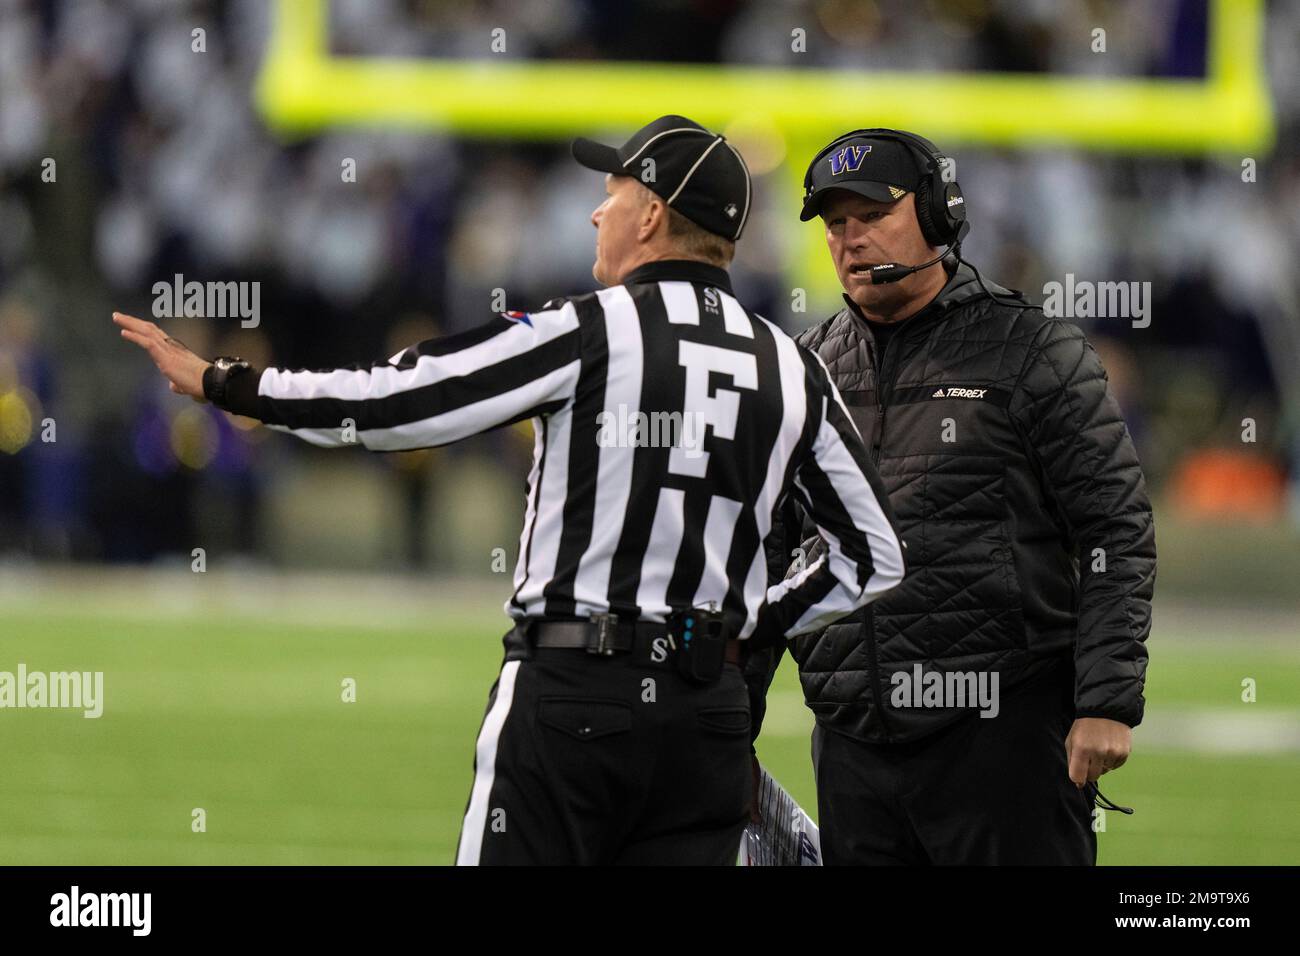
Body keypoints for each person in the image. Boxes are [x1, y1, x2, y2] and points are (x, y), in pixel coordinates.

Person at [114, 115, 905, 865]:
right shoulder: (791, 365)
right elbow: (873, 555)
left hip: (575, 694)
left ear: (653, 214)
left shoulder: (590, 327)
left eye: (615, 194)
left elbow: (401, 401)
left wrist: (229, 384)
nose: (598, 214)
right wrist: (750, 626)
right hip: (708, 721)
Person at [746, 128, 1156, 865]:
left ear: (939, 213)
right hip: (851, 742)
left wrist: (1105, 700)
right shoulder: (803, 367)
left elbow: (1112, 529)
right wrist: (728, 722)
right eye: (836, 223)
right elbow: (770, 556)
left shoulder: (1035, 351)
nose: (851, 238)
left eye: (873, 215)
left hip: (1002, 732)